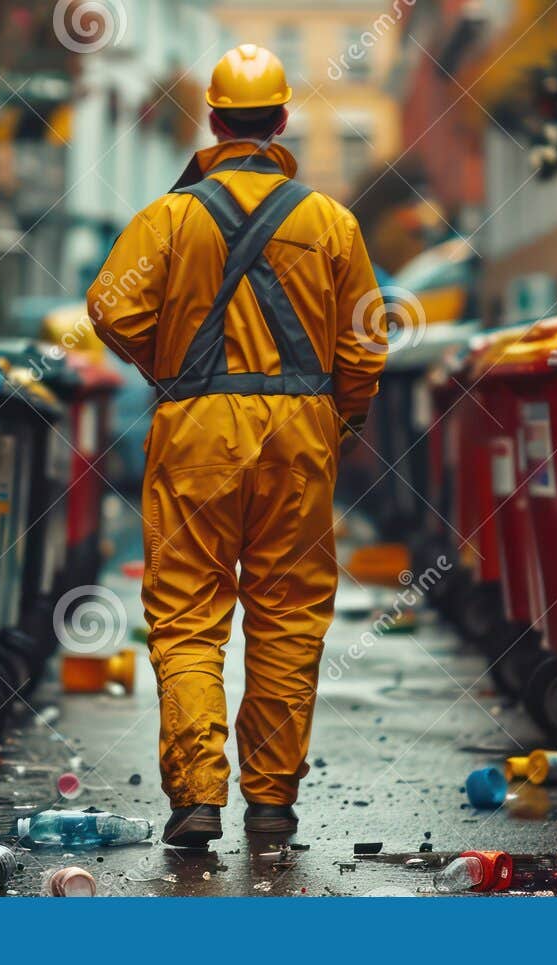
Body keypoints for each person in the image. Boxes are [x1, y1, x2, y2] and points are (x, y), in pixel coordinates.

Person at [86, 44, 387, 846]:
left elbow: (109, 307)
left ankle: (196, 799)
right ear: (282, 121)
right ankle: (272, 803)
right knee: (289, 616)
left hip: (195, 432)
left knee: (186, 614)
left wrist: (173, 365)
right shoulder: (331, 223)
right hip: (301, 433)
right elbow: (364, 347)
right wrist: (338, 422)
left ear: (213, 121)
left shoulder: (170, 217)